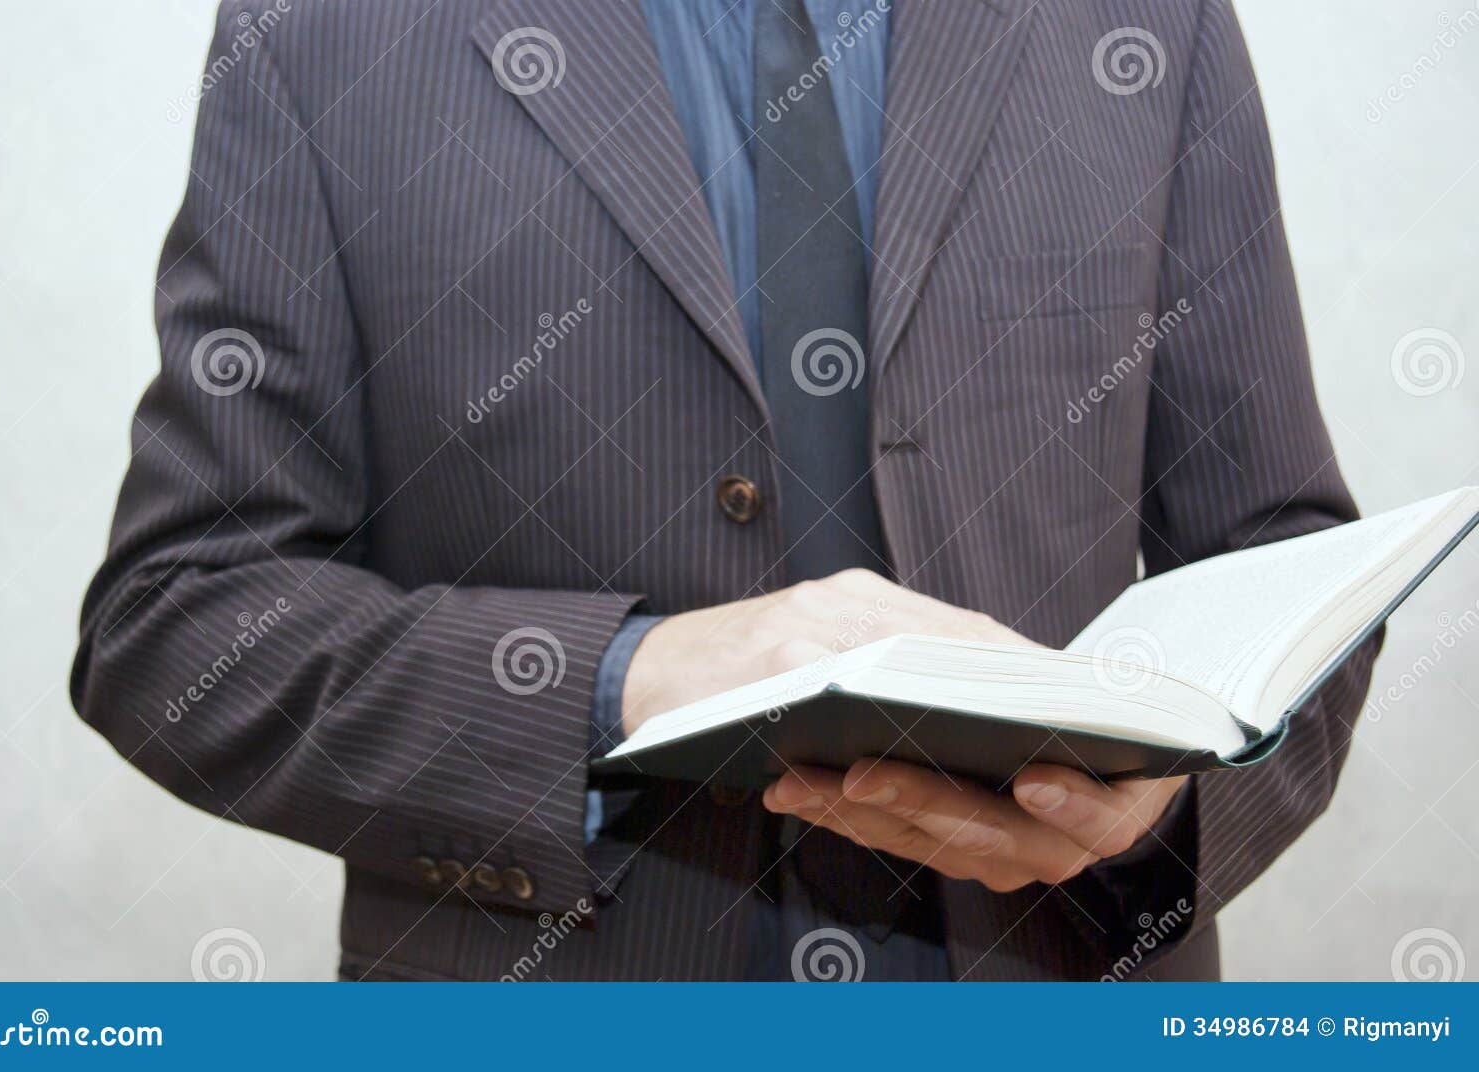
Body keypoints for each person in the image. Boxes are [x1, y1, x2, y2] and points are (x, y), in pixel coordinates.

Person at [72, 0, 1376, 981]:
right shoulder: (325, 33)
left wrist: (1163, 798)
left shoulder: (1147, 24)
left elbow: (1285, 554)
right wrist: (616, 680)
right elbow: (178, 621)